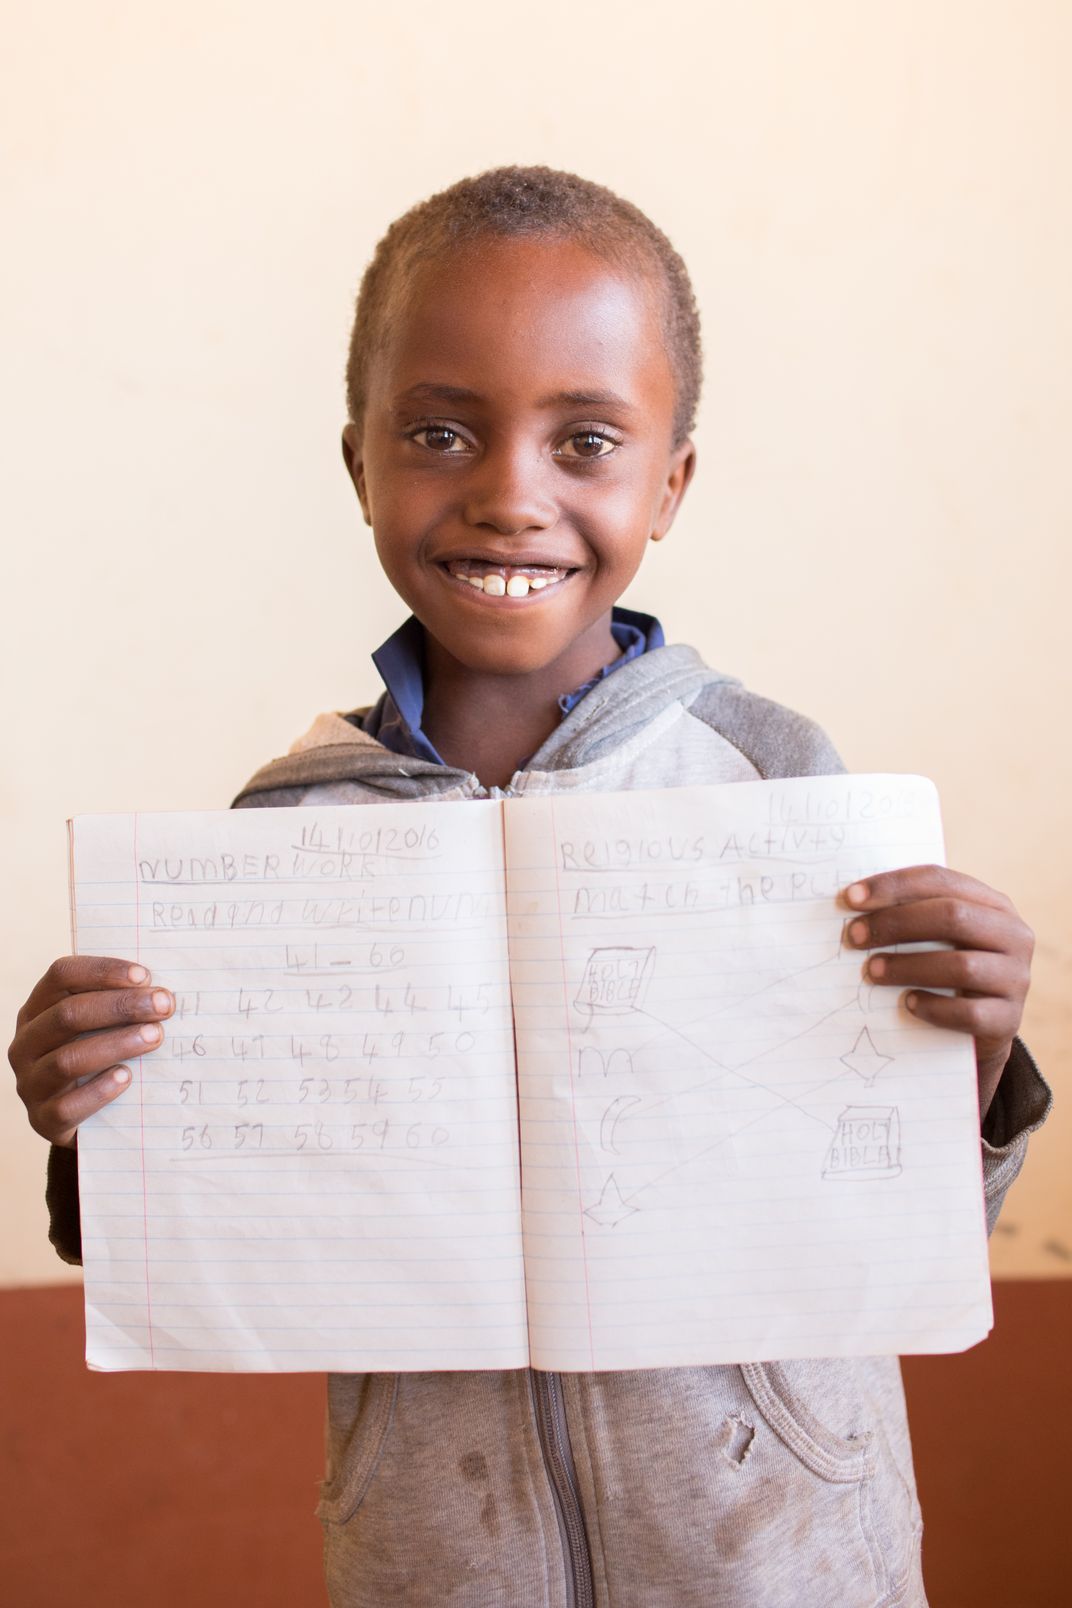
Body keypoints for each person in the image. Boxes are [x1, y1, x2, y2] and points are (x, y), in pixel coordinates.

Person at [8, 167, 1049, 1607]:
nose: (509, 496)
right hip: (440, 1566)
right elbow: (204, 1234)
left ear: (669, 483)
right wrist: (92, 1118)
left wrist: (975, 1055)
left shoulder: (777, 785)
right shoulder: (281, 838)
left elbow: (901, 1217)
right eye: (440, 432)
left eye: (588, 442)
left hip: (782, 1558)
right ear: (359, 464)